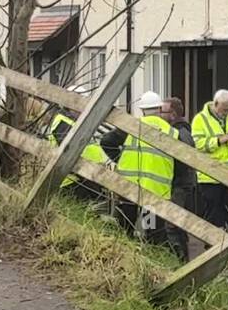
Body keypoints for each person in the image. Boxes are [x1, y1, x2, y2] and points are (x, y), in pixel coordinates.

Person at [101, 91, 174, 242]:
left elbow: (106, 142)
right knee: (151, 230)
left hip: (129, 187)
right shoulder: (170, 131)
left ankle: (123, 258)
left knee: (125, 228)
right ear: (160, 109)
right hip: (154, 190)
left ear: (142, 110)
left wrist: (121, 159)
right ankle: (151, 256)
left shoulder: (132, 127)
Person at [192, 88, 228, 233]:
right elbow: (197, 144)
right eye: (224, 109)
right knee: (214, 213)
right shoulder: (200, 119)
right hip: (210, 175)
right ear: (215, 104)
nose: (227, 113)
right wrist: (219, 141)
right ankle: (213, 244)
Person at [161, 96, 197, 262]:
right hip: (184, 186)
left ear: (173, 114)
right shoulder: (185, 132)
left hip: (179, 186)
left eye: (163, 111)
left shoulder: (178, 134)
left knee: (173, 226)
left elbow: (182, 163)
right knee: (178, 227)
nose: (160, 115)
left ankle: (179, 262)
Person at [46, 108, 107, 202]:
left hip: (87, 179)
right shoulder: (63, 123)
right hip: (75, 183)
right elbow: (69, 156)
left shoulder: (74, 122)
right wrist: (88, 175)